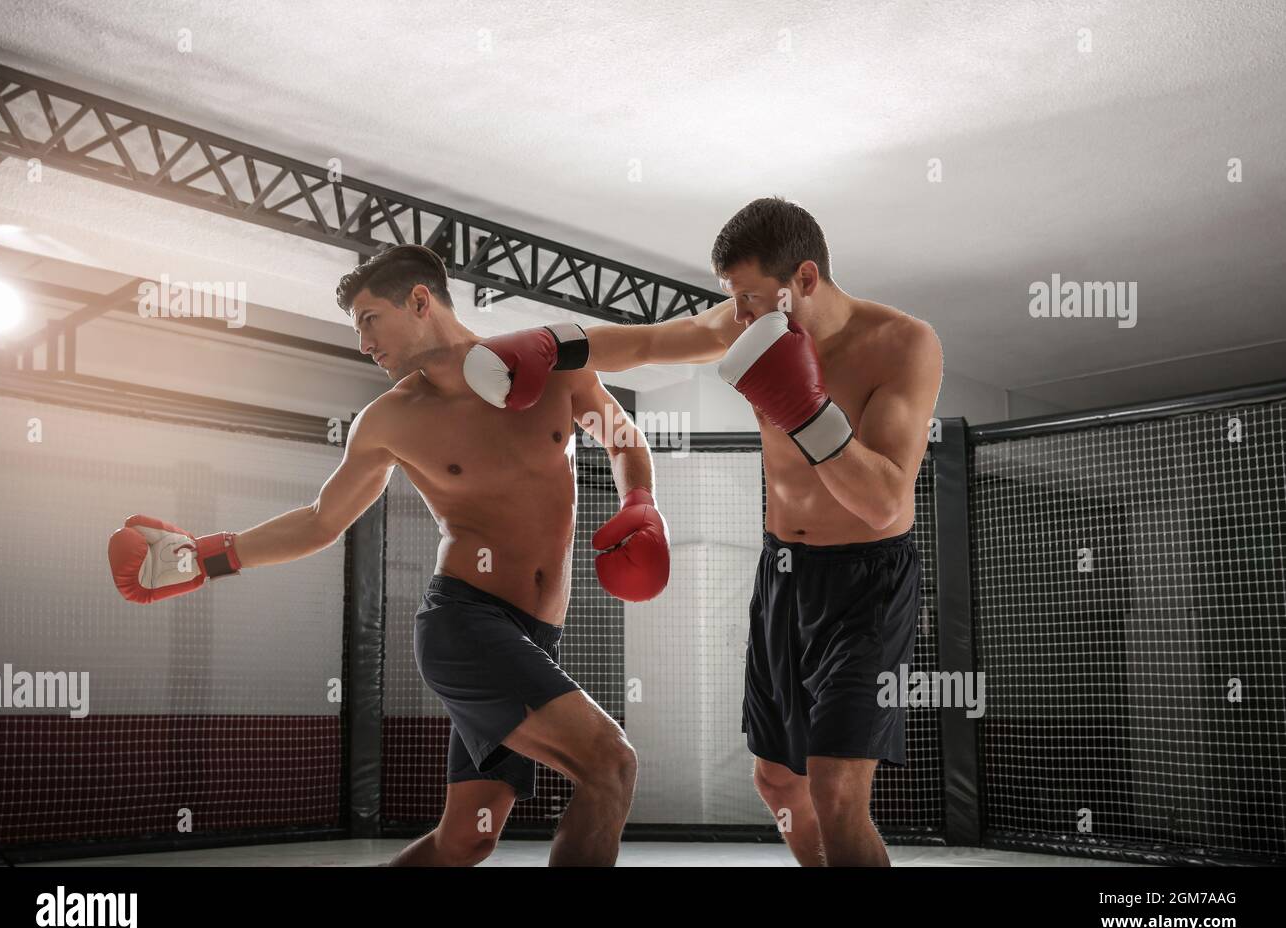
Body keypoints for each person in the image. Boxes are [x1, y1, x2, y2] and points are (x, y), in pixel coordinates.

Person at [107, 244, 671, 866]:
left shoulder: (550, 365)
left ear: (421, 301)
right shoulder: (390, 420)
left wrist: (639, 501)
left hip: (537, 633)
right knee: (610, 764)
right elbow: (323, 521)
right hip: (466, 625)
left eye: (370, 320)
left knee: (466, 842)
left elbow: (622, 437)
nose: (363, 343)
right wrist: (206, 556)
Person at [463, 198, 942, 866]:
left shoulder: (902, 344)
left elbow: (885, 506)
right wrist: (553, 344)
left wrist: (806, 410)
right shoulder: (748, 320)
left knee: (835, 786)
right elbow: (646, 342)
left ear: (804, 279)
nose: (738, 319)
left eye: (750, 299)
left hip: (867, 580)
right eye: (732, 300)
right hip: (783, 572)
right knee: (777, 780)